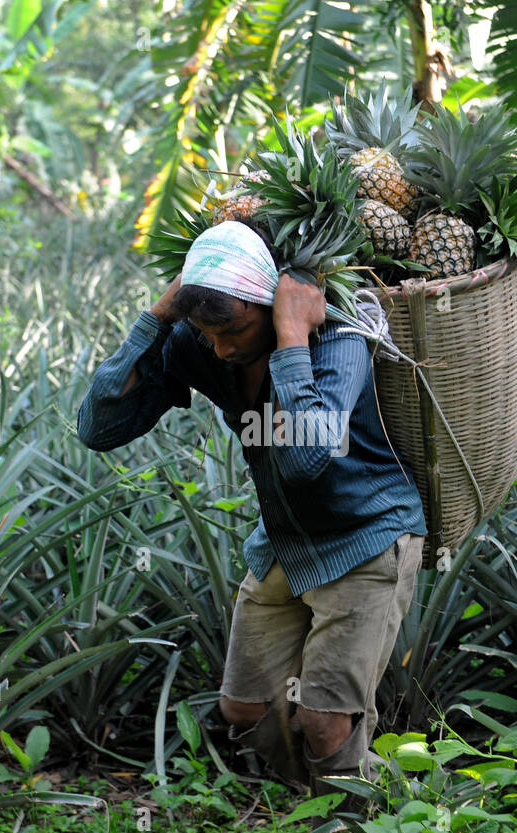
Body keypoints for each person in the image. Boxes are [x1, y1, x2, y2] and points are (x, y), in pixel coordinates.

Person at [75, 219, 427, 794]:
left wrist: (291, 341)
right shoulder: (204, 341)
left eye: (234, 330)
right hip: (287, 541)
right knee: (246, 708)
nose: (221, 348)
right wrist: (157, 320)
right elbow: (97, 427)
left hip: (367, 537)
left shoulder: (337, 339)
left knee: (324, 719)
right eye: (206, 334)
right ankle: (334, 804)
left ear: (269, 303)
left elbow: (305, 461)